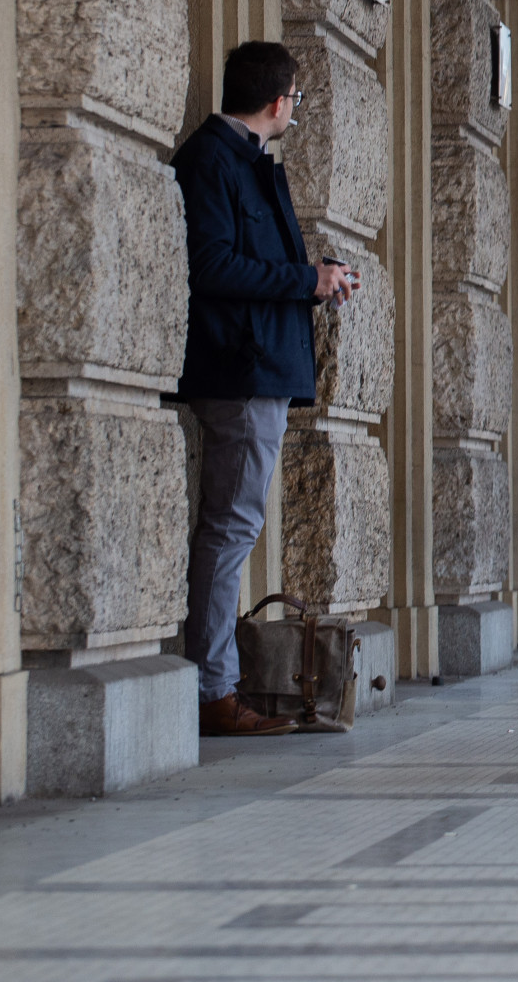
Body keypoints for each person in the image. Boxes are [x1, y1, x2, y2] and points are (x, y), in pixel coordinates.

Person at [173, 41, 359, 737]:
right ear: (280, 102)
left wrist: (318, 278)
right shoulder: (212, 160)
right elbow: (213, 266)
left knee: (233, 527)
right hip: (240, 371)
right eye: (297, 100)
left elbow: (251, 263)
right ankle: (214, 691)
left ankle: (218, 682)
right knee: (230, 530)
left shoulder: (246, 160)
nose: (294, 110)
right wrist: (307, 279)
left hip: (259, 367)